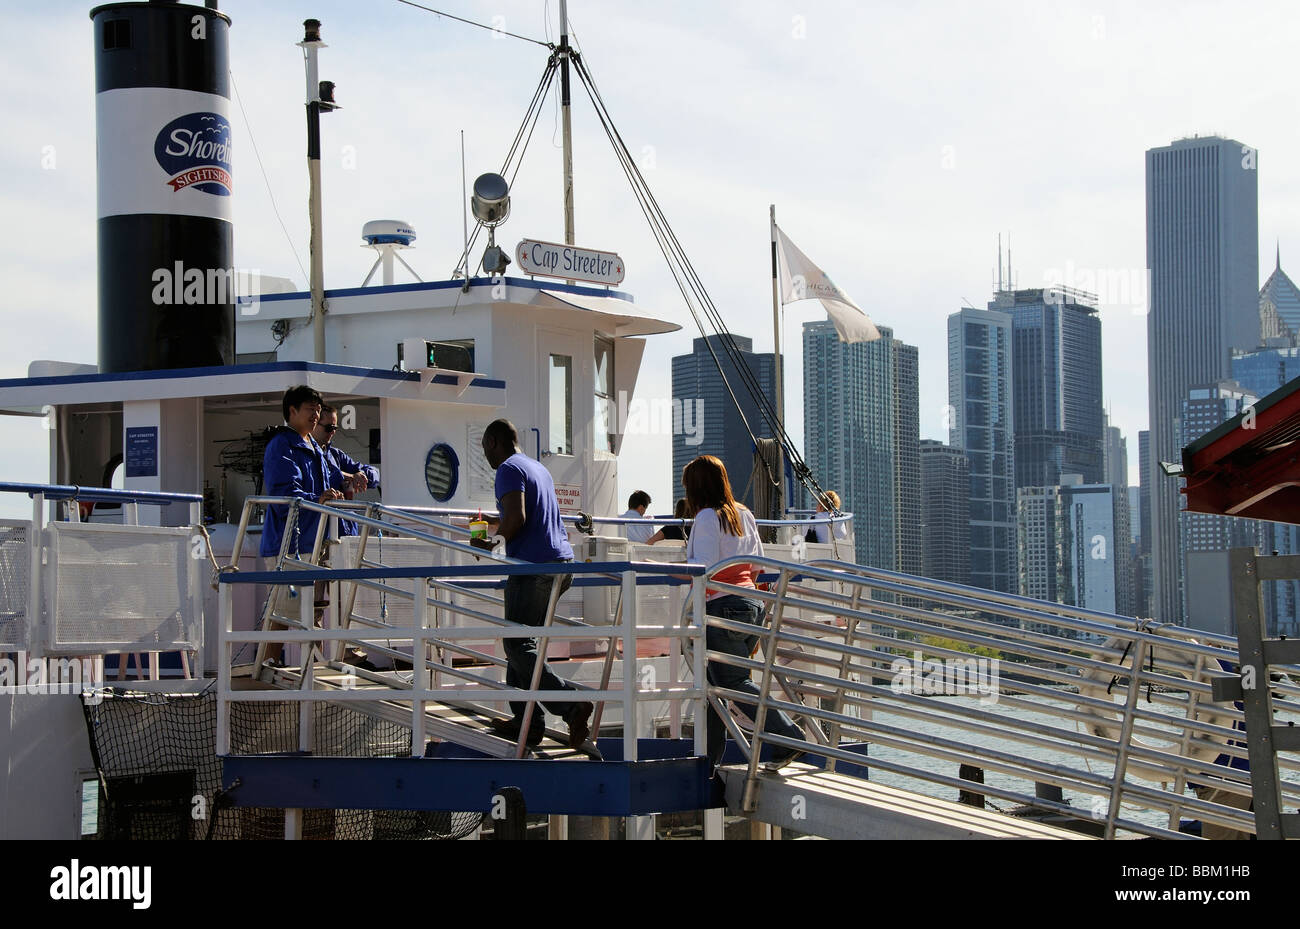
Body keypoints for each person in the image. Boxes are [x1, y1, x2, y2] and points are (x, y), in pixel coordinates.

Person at [472, 419, 592, 749]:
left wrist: (493, 540)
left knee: (516, 644)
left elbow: (518, 517)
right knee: (522, 643)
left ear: (494, 442)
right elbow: (530, 515)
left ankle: (570, 704)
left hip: (534, 567)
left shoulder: (508, 469)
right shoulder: (537, 467)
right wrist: (500, 527)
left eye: (484, 448)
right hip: (561, 564)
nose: (485, 456)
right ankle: (527, 722)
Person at [683, 454, 807, 769]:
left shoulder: (707, 518)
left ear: (696, 488)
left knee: (731, 682)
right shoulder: (744, 515)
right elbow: (756, 566)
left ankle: (788, 735)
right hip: (751, 606)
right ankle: (709, 758)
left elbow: (706, 568)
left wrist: (675, 569)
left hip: (721, 608)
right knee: (715, 683)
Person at [259, 386, 343, 666]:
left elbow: (329, 481)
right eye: (310, 409)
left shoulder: (314, 449)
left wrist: (347, 482)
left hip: (313, 541)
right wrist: (318, 498)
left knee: (313, 610)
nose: (316, 414)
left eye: (318, 410)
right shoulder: (282, 446)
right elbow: (283, 493)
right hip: (288, 543)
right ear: (292, 411)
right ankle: (268, 663)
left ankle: (313, 666)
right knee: (282, 609)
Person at [312, 403, 380, 537]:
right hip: (318, 534)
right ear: (314, 424)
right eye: (328, 427)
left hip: (343, 533)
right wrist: (344, 476)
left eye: (335, 428)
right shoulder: (303, 456)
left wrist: (362, 475)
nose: (332, 432)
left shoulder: (336, 455)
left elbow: (375, 474)